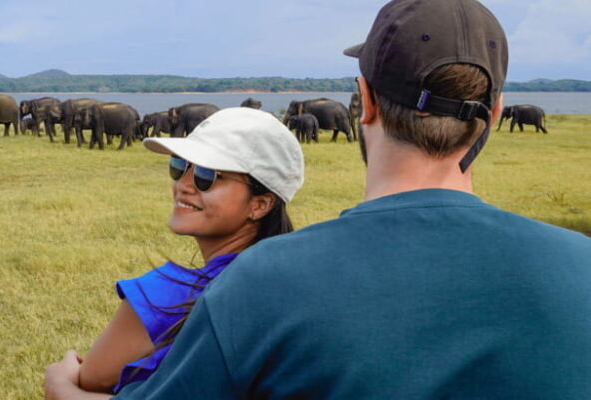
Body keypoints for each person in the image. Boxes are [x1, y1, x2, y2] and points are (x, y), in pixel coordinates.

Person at [45, 0, 591, 398]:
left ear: (365, 102)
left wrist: (60, 390)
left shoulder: (261, 281)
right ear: (495, 115)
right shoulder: (580, 267)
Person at [43, 107, 304, 399]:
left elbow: (92, 379)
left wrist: (59, 385)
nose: (183, 185)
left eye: (207, 175)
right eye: (179, 166)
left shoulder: (167, 294)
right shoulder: (294, 283)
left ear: (261, 204)